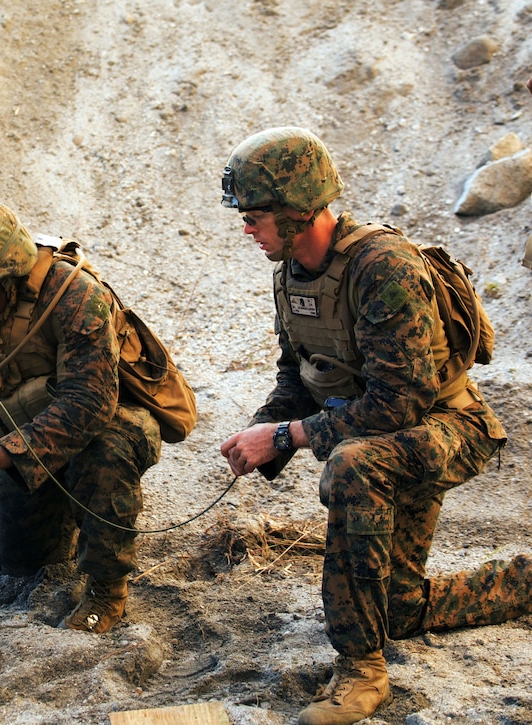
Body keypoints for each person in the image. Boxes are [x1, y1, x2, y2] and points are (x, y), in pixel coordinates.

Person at [218, 126, 531, 725]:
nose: (246, 227)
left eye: (255, 215)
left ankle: (361, 670)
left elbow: (399, 402)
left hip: (447, 426)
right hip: (385, 430)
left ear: (297, 210)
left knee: (353, 468)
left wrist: (288, 437)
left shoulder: (382, 268)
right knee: (401, 609)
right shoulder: (290, 273)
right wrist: (263, 433)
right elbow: (299, 374)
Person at [0, 198, 162, 634]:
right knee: (21, 562)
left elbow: (91, 400)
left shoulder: (72, 295)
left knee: (106, 452)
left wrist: (0, 453)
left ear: (10, 275)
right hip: (18, 456)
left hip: (97, 431)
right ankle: (61, 514)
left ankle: (107, 591)